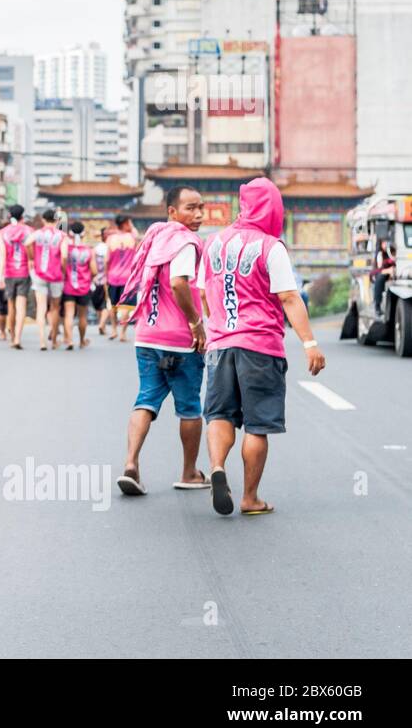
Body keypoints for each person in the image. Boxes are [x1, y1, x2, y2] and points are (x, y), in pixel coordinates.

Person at [202, 177, 325, 516]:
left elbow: (203, 294)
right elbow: (288, 296)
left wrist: (216, 329)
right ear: (273, 208)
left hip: (219, 345)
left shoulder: (212, 243)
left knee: (219, 414)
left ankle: (216, 466)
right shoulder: (271, 247)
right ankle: (250, 498)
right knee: (257, 424)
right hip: (260, 346)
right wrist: (310, 343)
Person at [115, 186, 210, 497]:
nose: (197, 215)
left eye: (201, 208)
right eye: (190, 208)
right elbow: (179, 283)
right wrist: (197, 324)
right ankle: (189, 472)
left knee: (146, 399)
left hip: (147, 335)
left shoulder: (155, 237)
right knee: (189, 407)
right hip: (180, 340)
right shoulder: (185, 243)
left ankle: (131, 464)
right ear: (172, 212)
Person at [0, 204, 33, 348]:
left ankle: (12, 337)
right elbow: (32, 253)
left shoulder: (3, 232)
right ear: (22, 216)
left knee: (11, 306)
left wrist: (0, 275)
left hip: (9, 273)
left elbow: (2, 255)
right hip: (24, 272)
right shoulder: (29, 231)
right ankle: (17, 337)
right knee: (21, 305)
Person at [28, 208, 65, 351]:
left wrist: (31, 257)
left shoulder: (37, 234)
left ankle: (42, 341)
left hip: (39, 273)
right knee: (55, 308)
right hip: (56, 275)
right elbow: (65, 255)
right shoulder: (62, 235)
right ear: (57, 221)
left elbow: (26, 243)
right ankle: (54, 340)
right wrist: (62, 269)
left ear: (43, 220)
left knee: (41, 307)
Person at [61, 221, 96, 350]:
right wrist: (89, 278)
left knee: (69, 314)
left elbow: (62, 262)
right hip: (84, 287)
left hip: (68, 286)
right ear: (83, 234)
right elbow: (94, 270)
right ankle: (81, 341)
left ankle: (69, 340)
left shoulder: (67, 249)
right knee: (82, 316)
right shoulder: (88, 250)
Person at [105, 214, 139, 340]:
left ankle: (113, 329)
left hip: (112, 276)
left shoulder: (110, 238)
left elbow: (107, 259)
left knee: (112, 305)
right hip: (128, 277)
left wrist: (105, 274)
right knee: (126, 306)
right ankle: (122, 333)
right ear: (125, 224)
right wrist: (132, 228)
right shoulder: (132, 237)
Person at [93, 228, 111, 335]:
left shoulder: (96, 248)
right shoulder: (110, 248)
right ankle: (102, 324)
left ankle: (102, 324)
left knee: (100, 304)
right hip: (107, 279)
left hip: (97, 279)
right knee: (107, 303)